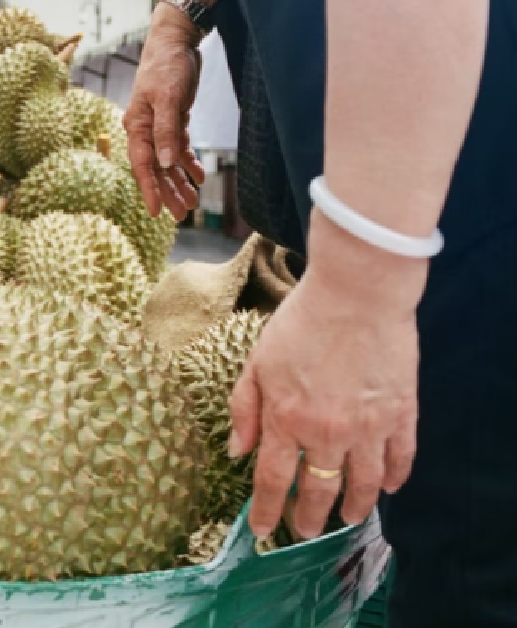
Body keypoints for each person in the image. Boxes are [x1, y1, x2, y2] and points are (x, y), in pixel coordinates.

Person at [125, 1, 517, 625]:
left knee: (475, 562)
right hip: (406, 185)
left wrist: (359, 286)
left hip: (458, 181)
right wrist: (179, 19)